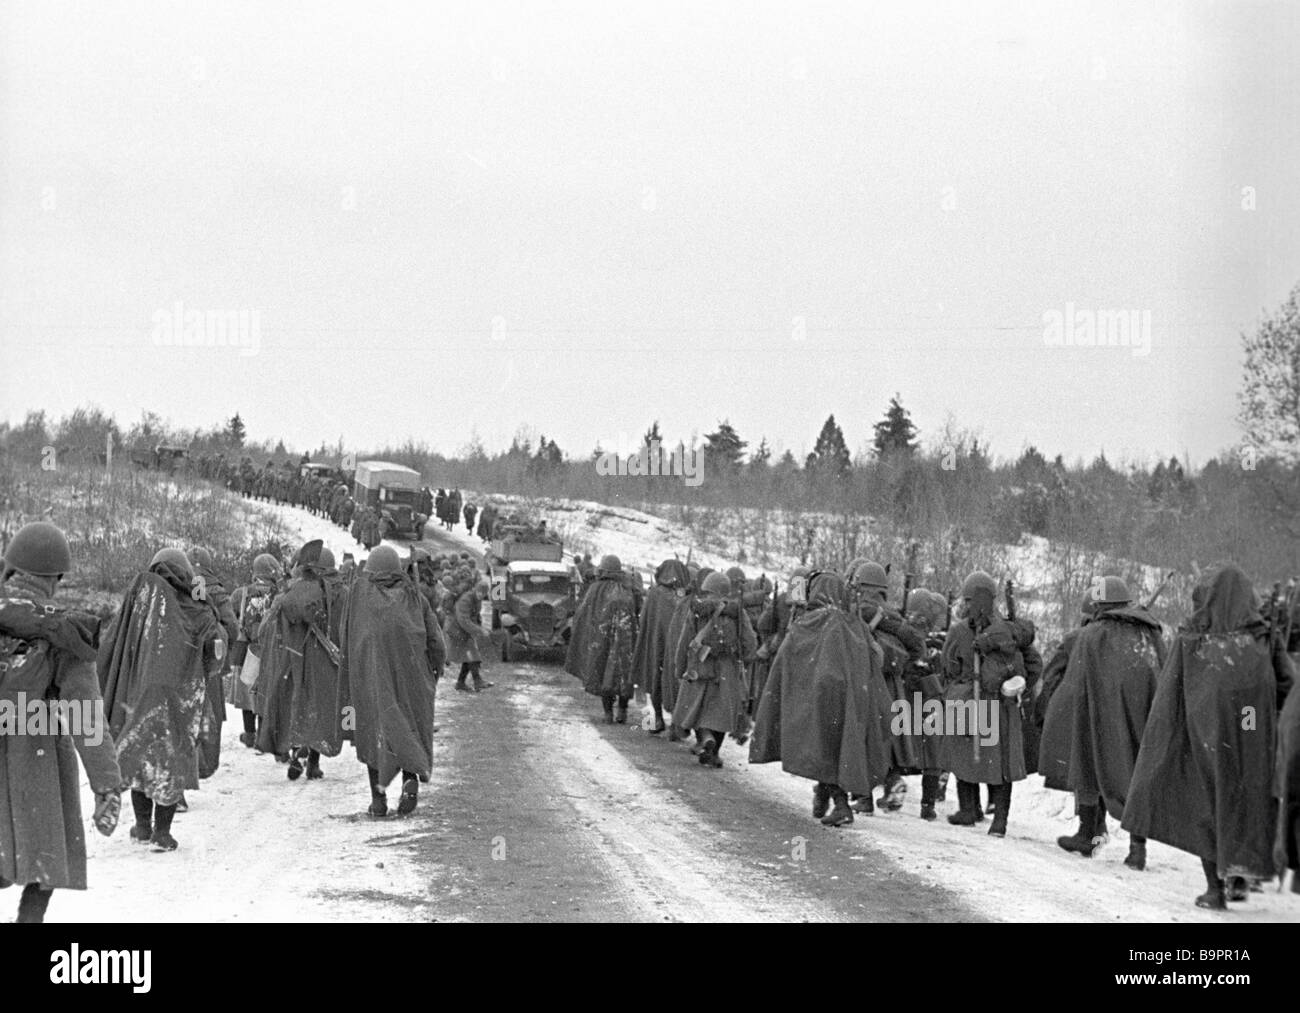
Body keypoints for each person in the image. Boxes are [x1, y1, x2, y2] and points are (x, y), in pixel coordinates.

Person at [1123, 566, 1294, 909]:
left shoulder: (1192, 639)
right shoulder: (1261, 637)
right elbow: (1286, 684)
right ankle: (1241, 874)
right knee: (1243, 801)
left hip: (1206, 734)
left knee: (1208, 804)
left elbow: (1170, 693)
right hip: (1250, 732)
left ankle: (1215, 888)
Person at [0, 522, 122, 923]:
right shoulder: (66, 633)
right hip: (37, 764)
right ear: (54, 578)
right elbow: (85, 715)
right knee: (47, 853)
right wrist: (106, 785)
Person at [98, 548, 226, 851]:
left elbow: (114, 642)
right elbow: (215, 649)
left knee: (141, 757)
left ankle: (142, 826)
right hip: (179, 695)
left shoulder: (139, 597)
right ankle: (162, 831)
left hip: (139, 694)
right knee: (172, 758)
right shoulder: (196, 604)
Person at [750, 571, 893, 826]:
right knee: (838, 750)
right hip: (852, 699)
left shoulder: (808, 623)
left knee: (823, 748)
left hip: (820, 697)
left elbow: (786, 658)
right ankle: (828, 797)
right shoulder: (855, 624)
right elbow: (876, 659)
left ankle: (838, 804)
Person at [1041, 577, 1163, 868]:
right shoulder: (1151, 633)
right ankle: (1137, 849)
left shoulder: (1091, 634)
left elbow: (1076, 684)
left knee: (1089, 767)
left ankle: (1087, 835)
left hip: (1098, 717)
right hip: (1142, 718)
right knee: (1134, 775)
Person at [337, 545, 444, 816]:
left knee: (375, 733)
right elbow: (436, 642)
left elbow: (344, 637)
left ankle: (378, 800)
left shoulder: (358, 599)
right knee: (408, 727)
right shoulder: (415, 598)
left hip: (370, 677)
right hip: (412, 677)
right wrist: (434, 671)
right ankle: (410, 779)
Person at [940, 571, 1030, 837]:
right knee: (1002, 763)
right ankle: (999, 822)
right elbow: (1031, 663)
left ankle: (968, 810)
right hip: (1003, 703)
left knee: (964, 753)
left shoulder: (958, 631)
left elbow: (948, 665)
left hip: (969, 699)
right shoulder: (1010, 631)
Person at [256, 542, 346, 780]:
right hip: (331, 660)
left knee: (299, 704)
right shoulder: (341, 592)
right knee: (322, 709)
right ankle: (312, 761)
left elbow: (270, 627)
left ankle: (298, 753)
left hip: (298, 658)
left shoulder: (294, 592)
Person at [847, 561, 924, 813]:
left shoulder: (858, 611)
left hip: (867, 682)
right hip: (892, 684)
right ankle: (890, 782)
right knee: (885, 739)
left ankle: (865, 797)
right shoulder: (893, 616)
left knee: (862, 737)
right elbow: (917, 648)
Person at [669, 571, 757, 767]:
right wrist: (746, 659)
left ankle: (704, 738)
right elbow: (749, 641)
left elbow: (685, 640)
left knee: (695, 707)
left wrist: (679, 667)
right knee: (722, 712)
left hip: (699, 665)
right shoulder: (737, 611)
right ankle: (714, 751)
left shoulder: (697, 609)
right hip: (727, 668)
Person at [565, 554, 637, 723]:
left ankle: (608, 713)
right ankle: (623, 711)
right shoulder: (628, 588)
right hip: (625, 642)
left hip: (602, 640)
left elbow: (583, 613)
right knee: (624, 675)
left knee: (604, 672)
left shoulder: (595, 589)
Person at [188, 546, 238, 779]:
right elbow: (232, 628)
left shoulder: (173, 589)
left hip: (182, 663)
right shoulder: (216, 591)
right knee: (211, 712)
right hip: (210, 663)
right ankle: (204, 765)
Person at [227, 553, 282, 748]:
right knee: (265, 691)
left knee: (246, 690)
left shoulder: (241, 594)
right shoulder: (279, 593)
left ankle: (249, 734)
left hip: (246, 649)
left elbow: (230, 618)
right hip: (271, 649)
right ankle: (263, 733)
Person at [631, 559, 691, 734]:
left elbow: (643, 619)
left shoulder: (654, 594)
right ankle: (676, 722)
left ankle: (657, 718)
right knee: (676, 680)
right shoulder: (685, 597)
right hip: (677, 646)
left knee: (655, 679)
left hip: (656, 644)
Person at [444, 570, 494, 692]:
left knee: (468, 656)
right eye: (479, 592)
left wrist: (480, 627)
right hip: (456, 630)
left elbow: (475, 616)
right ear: (475, 590)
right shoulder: (466, 600)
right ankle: (477, 681)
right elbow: (463, 620)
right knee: (472, 654)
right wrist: (479, 630)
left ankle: (461, 683)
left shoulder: (477, 599)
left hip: (464, 631)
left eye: (483, 594)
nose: (480, 595)